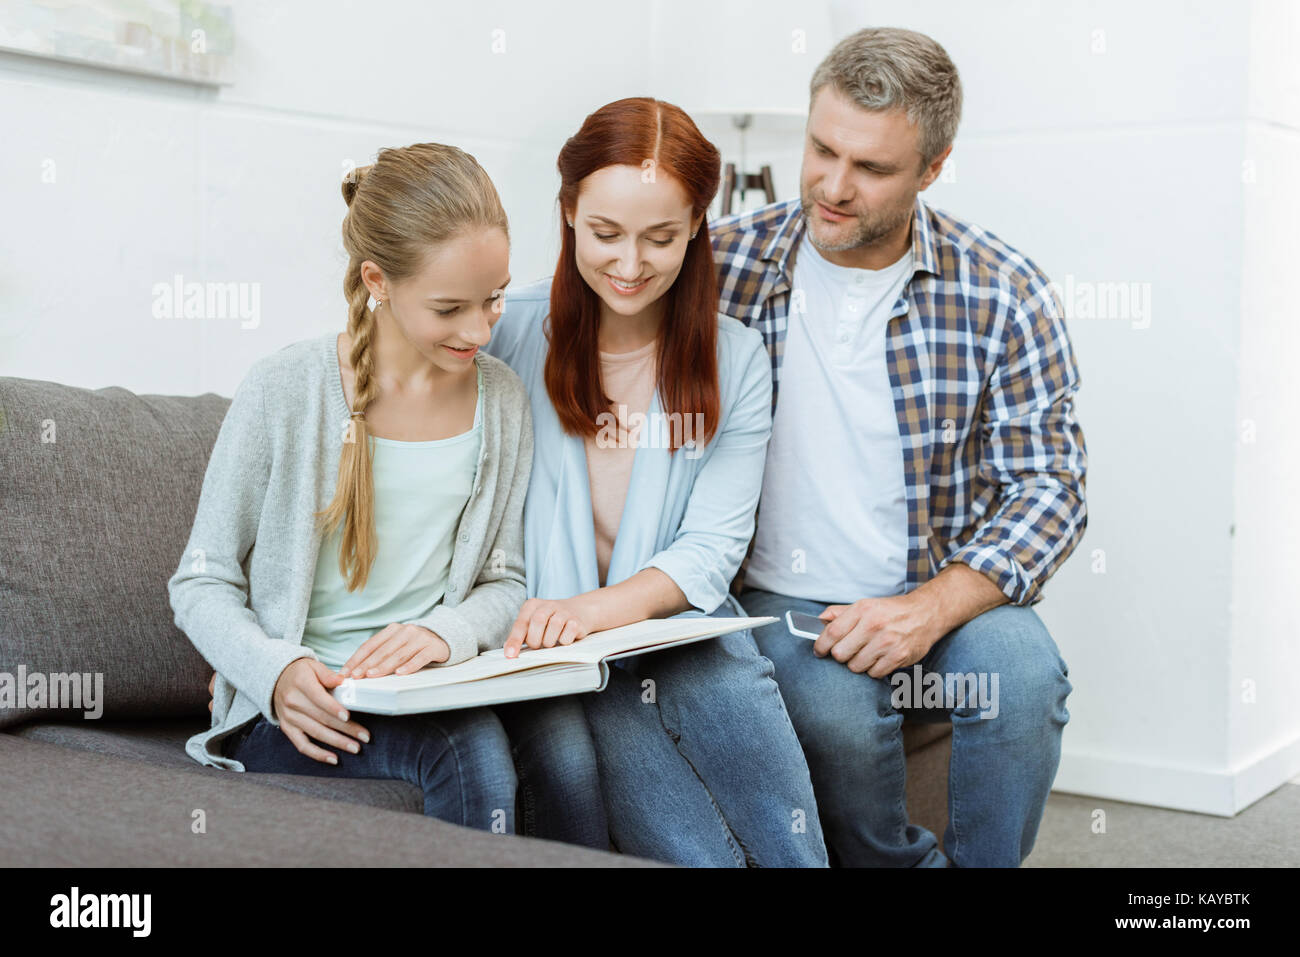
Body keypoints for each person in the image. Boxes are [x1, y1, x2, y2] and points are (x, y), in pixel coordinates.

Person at [717, 28, 1088, 867]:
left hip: (936, 588)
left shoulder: (1002, 289)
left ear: (933, 167)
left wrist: (928, 610)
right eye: (820, 149)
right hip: (779, 596)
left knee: (1023, 679)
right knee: (838, 713)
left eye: (873, 168)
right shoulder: (722, 266)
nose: (833, 187)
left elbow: (1052, 485)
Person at [484, 97, 828, 866]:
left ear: (699, 227)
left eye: (661, 237)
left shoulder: (733, 359)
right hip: (557, 655)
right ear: (569, 211)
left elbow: (711, 547)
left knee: (738, 709)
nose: (631, 265)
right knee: (688, 838)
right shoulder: (503, 330)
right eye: (605, 234)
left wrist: (591, 610)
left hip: (669, 625)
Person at [171, 142, 532, 832]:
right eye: (451, 307)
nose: (481, 329)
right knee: (470, 750)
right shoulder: (286, 387)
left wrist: (445, 629)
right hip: (301, 710)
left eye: (494, 299)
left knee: (562, 751)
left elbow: (504, 580)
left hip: (430, 691)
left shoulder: (503, 400)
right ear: (378, 279)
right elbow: (199, 580)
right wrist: (274, 672)